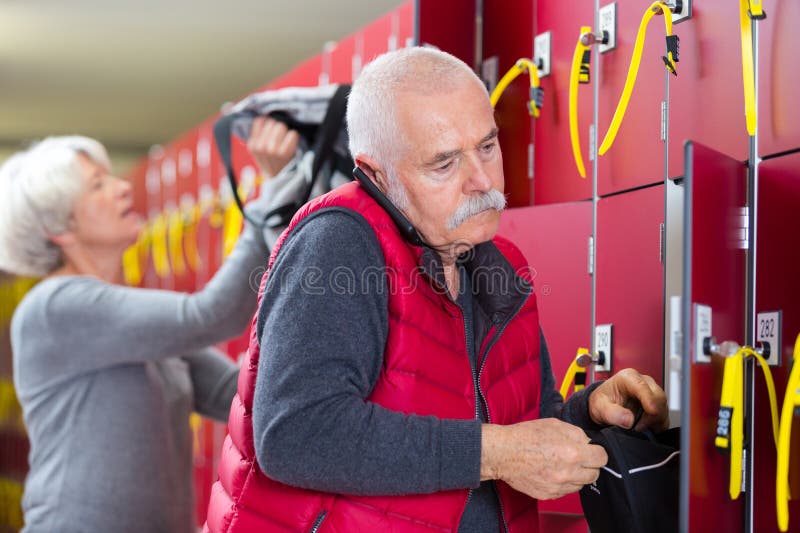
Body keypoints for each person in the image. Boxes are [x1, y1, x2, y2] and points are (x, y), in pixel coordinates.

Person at [205, 47, 669, 533]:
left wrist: (589, 414)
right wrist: (497, 454)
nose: (483, 181)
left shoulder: (497, 266)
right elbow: (298, 434)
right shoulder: (340, 243)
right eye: (444, 164)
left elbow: (515, 428)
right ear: (377, 173)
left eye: (487, 146)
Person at [0, 130, 297, 533]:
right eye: (98, 185)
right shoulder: (55, 307)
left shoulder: (127, 322)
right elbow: (208, 316)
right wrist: (268, 206)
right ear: (60, 227)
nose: (122, 189)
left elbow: (238, 396)